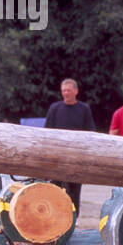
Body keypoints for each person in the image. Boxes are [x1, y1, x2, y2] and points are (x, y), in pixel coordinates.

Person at [43, 79, 95, 211]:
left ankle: (73, 214)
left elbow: (90, 132)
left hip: (77, 154)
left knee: (75, 187)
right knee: (55, 185)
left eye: (69, 90)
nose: (66, 93)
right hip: (57, 153)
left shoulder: (84, 109)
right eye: (64, 90)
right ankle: (54, 212)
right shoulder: (54, 108)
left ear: (76, 91)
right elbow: (47, 131)